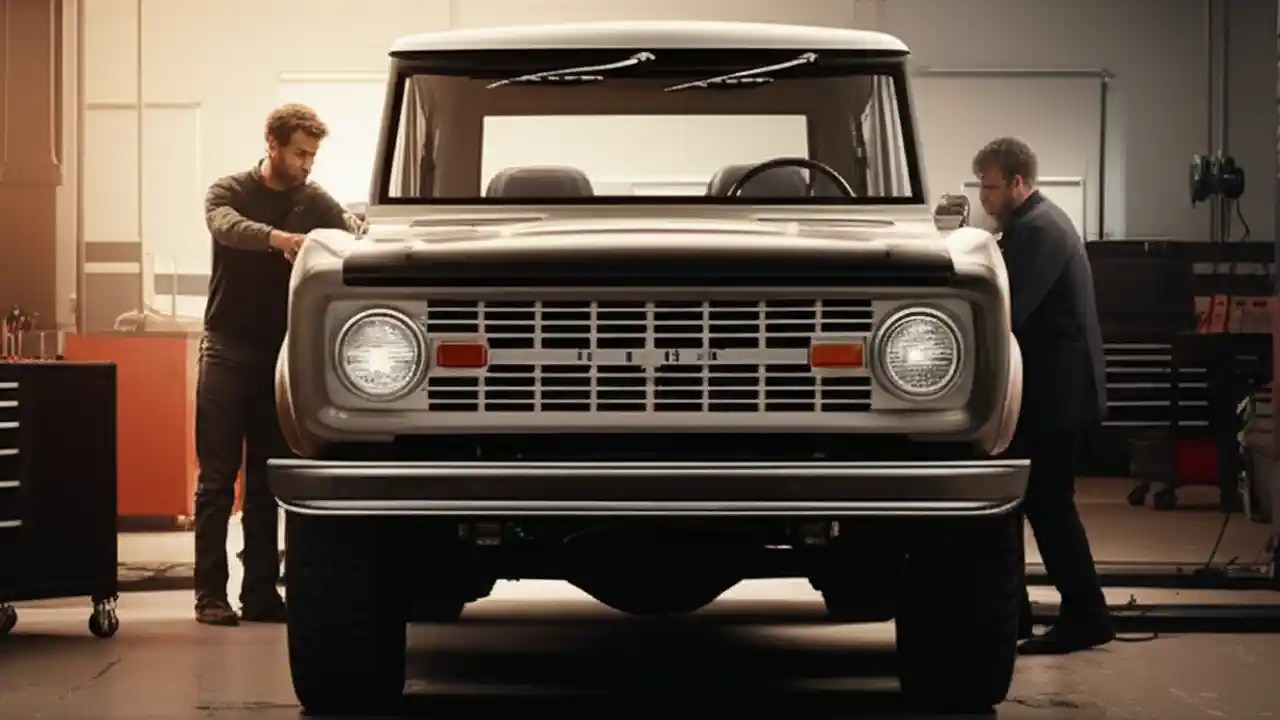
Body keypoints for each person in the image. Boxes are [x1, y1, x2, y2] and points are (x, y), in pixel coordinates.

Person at [194, 103, 364, 626]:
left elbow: (354, 231)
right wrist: (280, 240)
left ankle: (263, 593)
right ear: (271, 144)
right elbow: (226, 228)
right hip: (225, 350)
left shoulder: (316, 201)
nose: (307, 163)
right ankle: (210, 596)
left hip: (278, 357)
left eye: (313, 154)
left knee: (268, 479)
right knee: (218, 481)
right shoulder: (228, 191)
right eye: (299, 153)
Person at [972, 137, 1115, 655]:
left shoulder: (1038, 231)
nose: (983, 196)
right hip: (1046, 394)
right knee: (1026, 505)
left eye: (989, 186)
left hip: (1055, 398)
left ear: (1017, 182)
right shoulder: (1027, 226)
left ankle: (1086, 612)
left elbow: (1008, 310)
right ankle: (1019, 613)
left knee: (1049, 505)